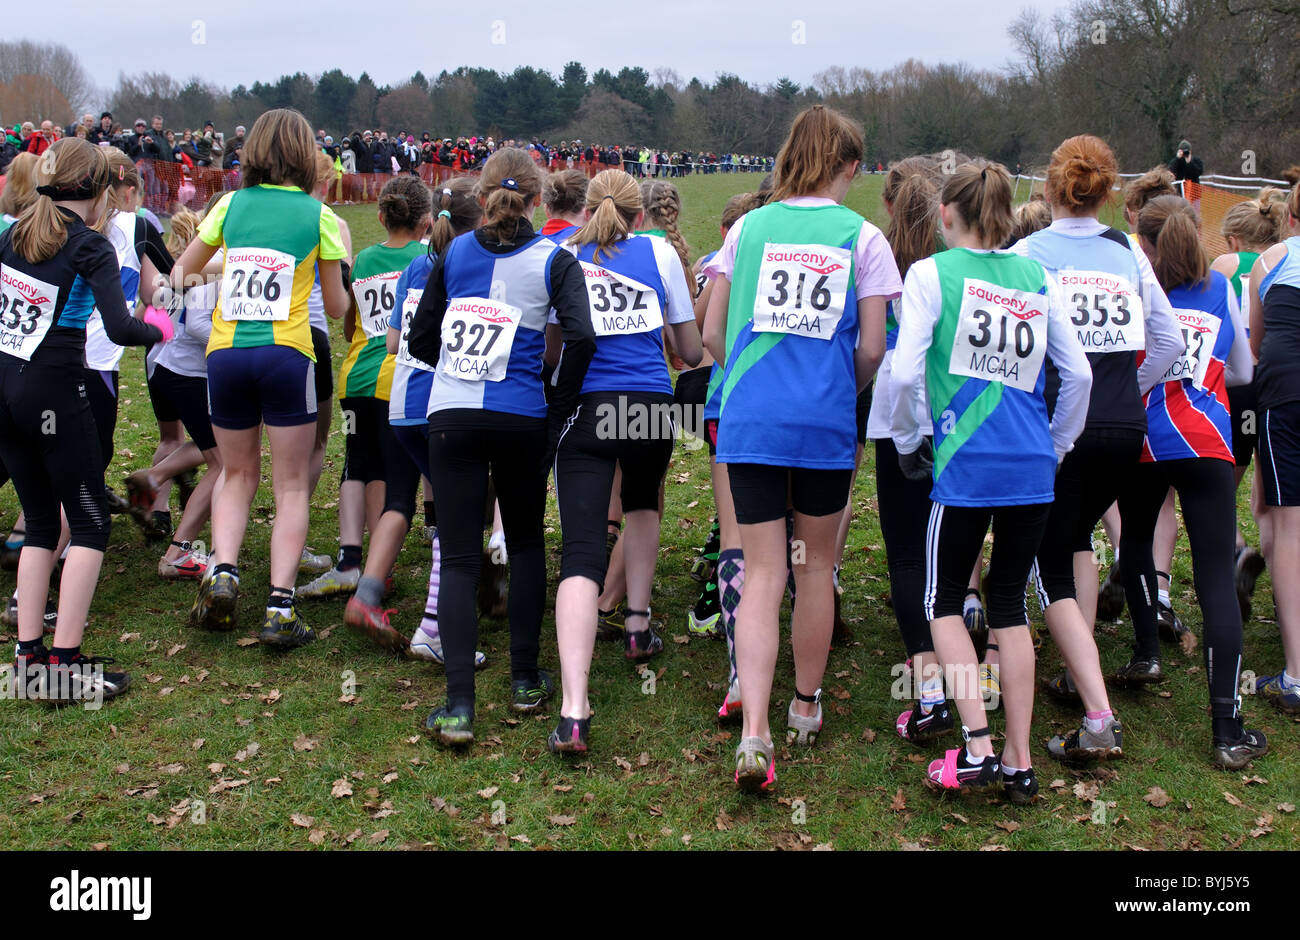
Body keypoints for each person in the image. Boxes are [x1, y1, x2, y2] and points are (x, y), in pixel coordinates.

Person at [702, 105, 894, 791]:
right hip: (823, 424)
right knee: (814, 567)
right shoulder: (865, 236)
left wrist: (744, 378)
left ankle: (755, 731)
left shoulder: (748, 226)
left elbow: (712, 331)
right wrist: (843, 389)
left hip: (752, 420)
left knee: (761, 573)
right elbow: (873, 346)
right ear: (848, 165)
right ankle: (804, 706)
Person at [892, 161, 1092, 799]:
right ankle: (1019, 761)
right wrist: (1056, 445)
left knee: (943, 601)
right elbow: (1080, 375)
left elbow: (902, 373)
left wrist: (910, 435)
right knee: (1008, 606)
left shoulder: (930, 273)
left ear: (946, 215)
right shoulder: (1036, 274)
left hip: (966, 465)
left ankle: (977, 744)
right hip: (1031, 463)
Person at [406, 147, 596, 746]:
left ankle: (459, 707)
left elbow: (420, 334)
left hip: (452, 418)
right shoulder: (556, 259)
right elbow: (583, 340)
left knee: (460, 557)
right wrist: (558, 404)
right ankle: (524, 680)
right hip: (522, 418)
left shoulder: (453, 250)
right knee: (526, 544)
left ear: (482, 197)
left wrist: (456, 374)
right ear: (538, 198)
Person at [1011, 136, 1182, 766]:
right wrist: (1127, 392)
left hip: (1061, 428)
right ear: (1110, 190)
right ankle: (1074, 679)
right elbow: (1166, 342)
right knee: (1077, 541)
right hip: (1124, 429)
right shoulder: (1126, 250)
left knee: (1048, 565)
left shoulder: (1026, 252)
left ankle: (1099, 716)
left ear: (1051, 188)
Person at [171, 108, 350, 645]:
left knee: (236, 473)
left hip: (225, 354)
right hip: (287, 354)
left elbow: (180, 274)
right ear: (303, 156)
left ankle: (223, 572)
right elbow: (338, 309)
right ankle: (279, 605)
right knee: (291, 484)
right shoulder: (318, 216)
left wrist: (231, 263)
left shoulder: (228, 205)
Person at [0, 138, 169, 702]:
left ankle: (28, 659)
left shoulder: (14, 234)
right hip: (56, 390)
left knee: (41, 523)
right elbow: (121, 328)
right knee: (91, 521)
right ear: (99, 192)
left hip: (6, 392)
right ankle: (65, 665)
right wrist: (162, 330)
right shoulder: (89, 246)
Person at [548, 169, 702, 753]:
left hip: (587, 408)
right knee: (641, 506)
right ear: (640, 215)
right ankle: (637, 623)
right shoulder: (660, 252)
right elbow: (688, 351)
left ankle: (574, 707)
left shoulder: (562, 255)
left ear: (587, 209)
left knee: (582, 549)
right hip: (648, 407)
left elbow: (552, 346)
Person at [1123, 194, 1266, 768]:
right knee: (1212, 579)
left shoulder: (1140, 295)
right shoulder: (1222, 290)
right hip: (1208, 443)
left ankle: (1145, 652)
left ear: (1150, 247)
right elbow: (1244, 372)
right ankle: (1228, 729)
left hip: (1148, 441)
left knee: (1134, 548)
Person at [862, 157, 954, 744]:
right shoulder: (953, 265)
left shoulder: (876, 255)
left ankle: (928, 691)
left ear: (891, 202)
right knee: (949, 550)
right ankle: (969, 678)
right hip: (953, 413)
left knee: (904, 554)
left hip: (899, 412)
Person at [329, 177, 432, 645]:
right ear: (425, 221)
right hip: (395, 384)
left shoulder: (366, 259)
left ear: (381, 216)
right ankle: (375, 578)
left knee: (360, 464)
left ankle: (362, 561)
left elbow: (350, 320)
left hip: (355, 381)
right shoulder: (425, 261)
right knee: (399, 487)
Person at [387, 179, 485, 667]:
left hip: (401, 402)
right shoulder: (468, 266)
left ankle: (443, 618)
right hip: (440, 404)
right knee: (456, 517)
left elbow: (389, 344)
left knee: (453, 508)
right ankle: (433, 627)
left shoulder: (412, 266)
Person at [1211, 190, 1288, 619]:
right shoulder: (1278, 263)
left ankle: (1237, 550)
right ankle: (1283, 589)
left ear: (1235, 240)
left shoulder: (1227, 265)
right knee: (1270, 500)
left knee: (1223, 488)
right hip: (1275, 385)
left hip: (1236, 384)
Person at [1249, 182, 1300, 715]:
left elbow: (1257, 343)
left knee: (1289, 526)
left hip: (1286, 393)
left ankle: (1296, 673)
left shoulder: (1273, 259)